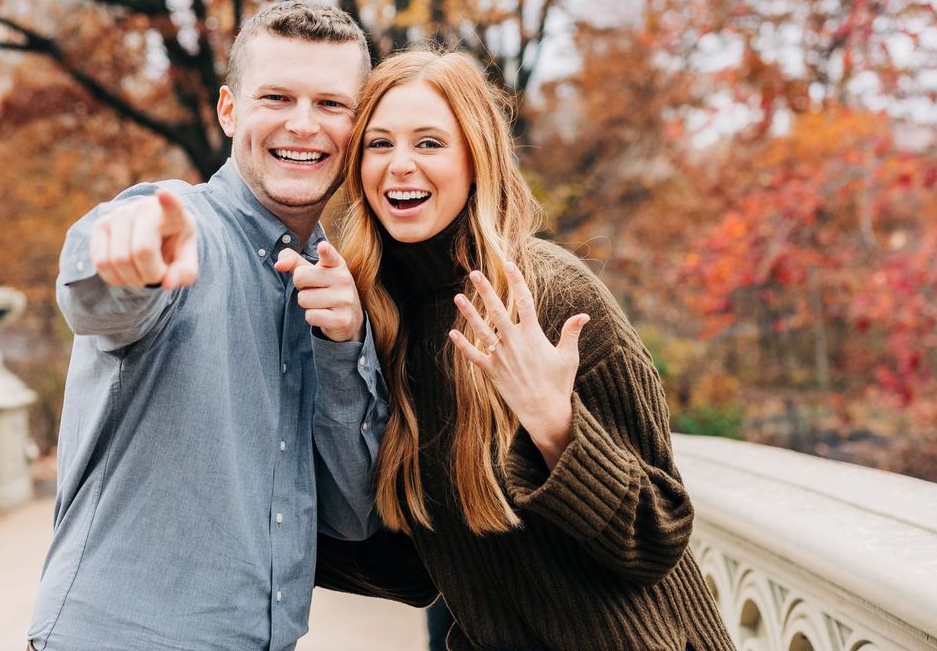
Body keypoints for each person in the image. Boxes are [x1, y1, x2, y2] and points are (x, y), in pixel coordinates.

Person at [315, 50, 736, 651]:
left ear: (475, 157)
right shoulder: (377, 320)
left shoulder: (550, 295)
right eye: (379, 145)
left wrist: (555, 427)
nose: (400, 166)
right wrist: (252, 529)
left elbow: (657, 533)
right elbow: (411, 570)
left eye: (429, 143)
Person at [27, 1, 388, 651]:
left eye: (332, 105)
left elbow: (352, 516)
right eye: (276, 96)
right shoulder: (178, 225)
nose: (303, 125)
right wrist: (130, 257)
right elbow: (96, 291)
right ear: (229, 110)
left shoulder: (337, 285)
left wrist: (344, 347)